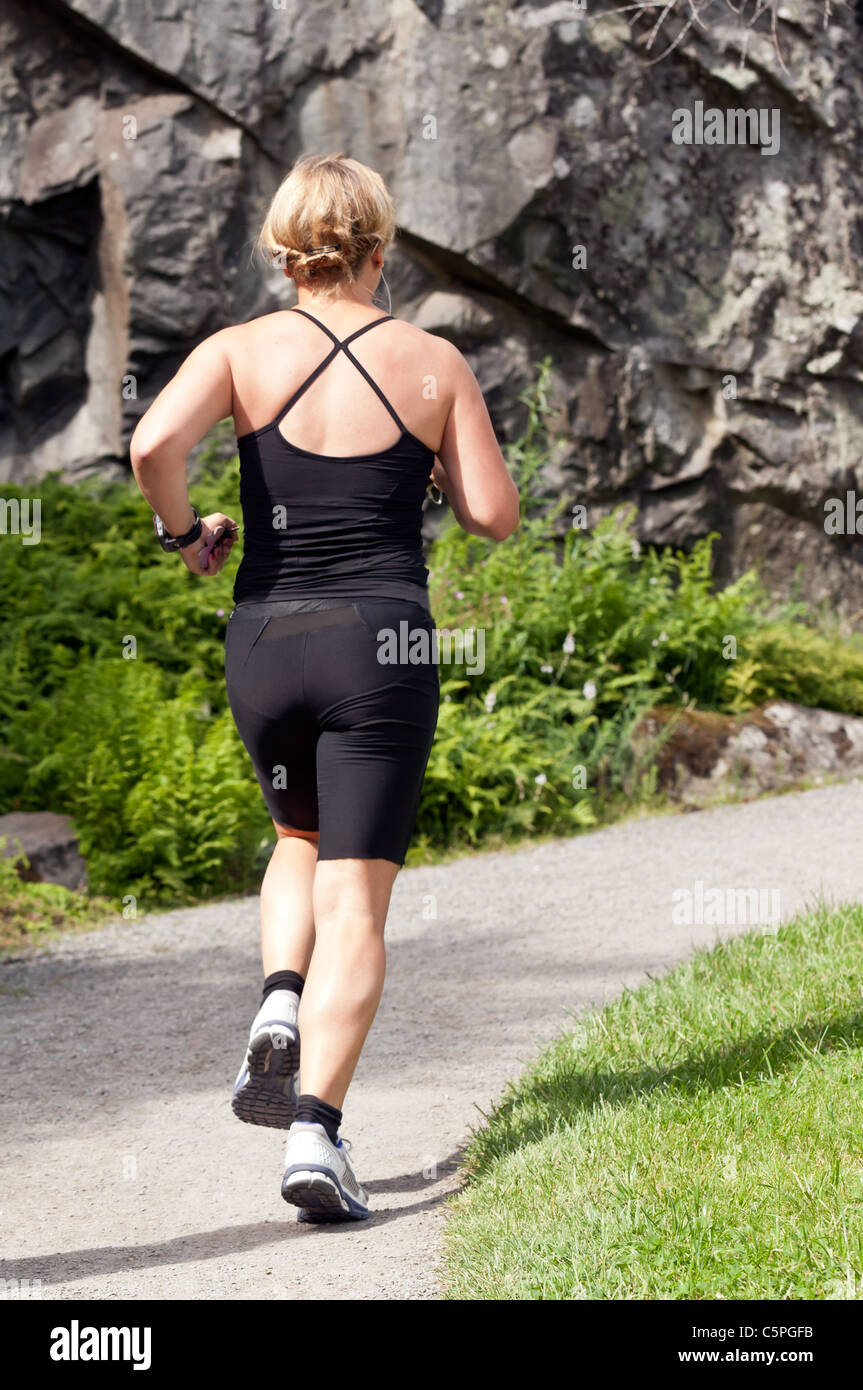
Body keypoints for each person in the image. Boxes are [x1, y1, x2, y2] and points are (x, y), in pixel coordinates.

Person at [130, 151, 519, 1222]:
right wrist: (435, 459)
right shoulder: (432, 360)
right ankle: (315, 1133)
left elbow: (154, 440)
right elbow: (492, 514)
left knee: (294, 839)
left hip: (265, 640)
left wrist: (185, 533)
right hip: (376, 646)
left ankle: (277, 1002)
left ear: (282, 247)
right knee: (356, 894)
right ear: (380, 252)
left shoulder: (238, 348)